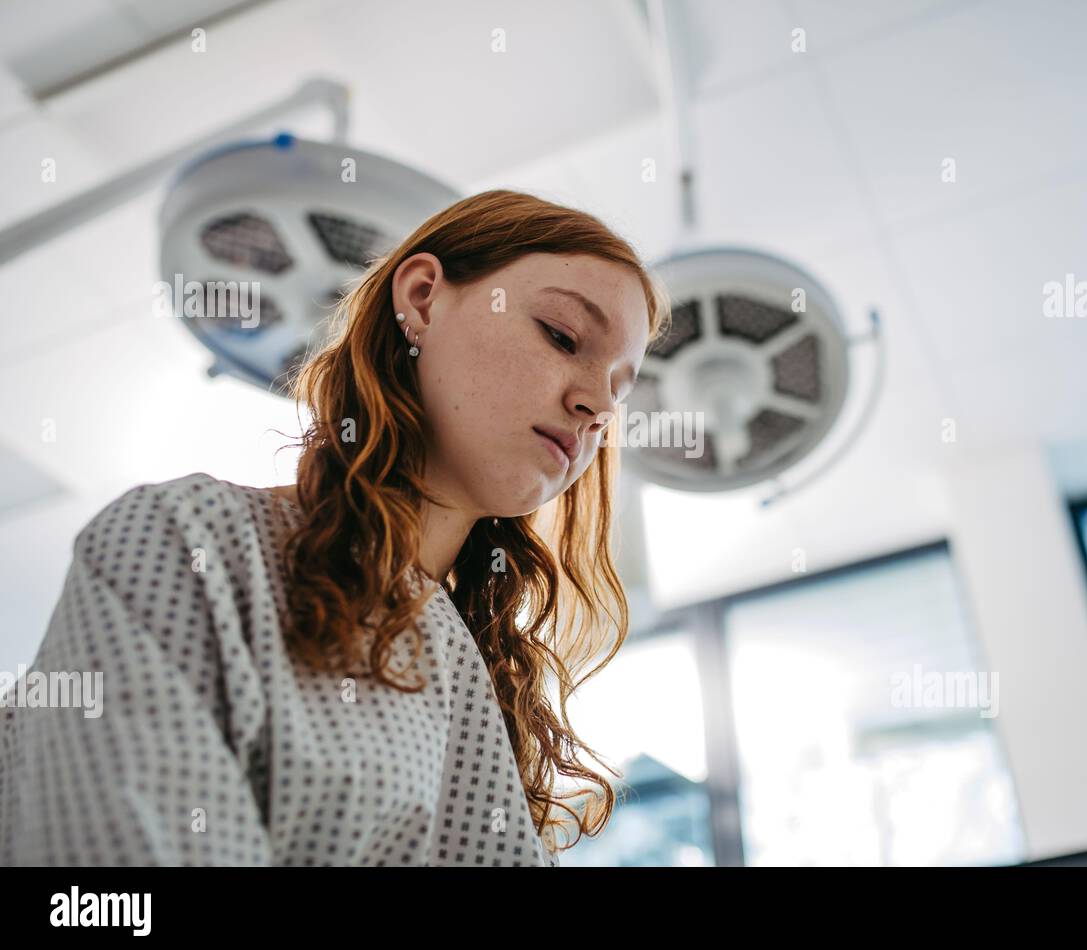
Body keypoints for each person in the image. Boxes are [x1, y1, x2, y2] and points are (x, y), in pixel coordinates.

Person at [0, 189, 672, 866]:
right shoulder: (188, 541)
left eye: (618, 393)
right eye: (561, 335)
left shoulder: (476, 678)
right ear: (422, 297)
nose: (593, 406)